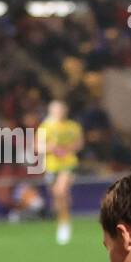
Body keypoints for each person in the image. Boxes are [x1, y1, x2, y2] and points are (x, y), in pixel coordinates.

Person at [37, 100, 84, 245]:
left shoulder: (73, 126)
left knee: (60, 190)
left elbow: (79, 143)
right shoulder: (45, 127)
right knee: (57, 197)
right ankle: (61, 219)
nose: (58, 113)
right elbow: (38, 147)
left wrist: (68, 148)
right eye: (55, 110)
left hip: (68, 164)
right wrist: (51, 148)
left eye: (60, 110)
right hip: (51, 166)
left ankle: (65, 224)